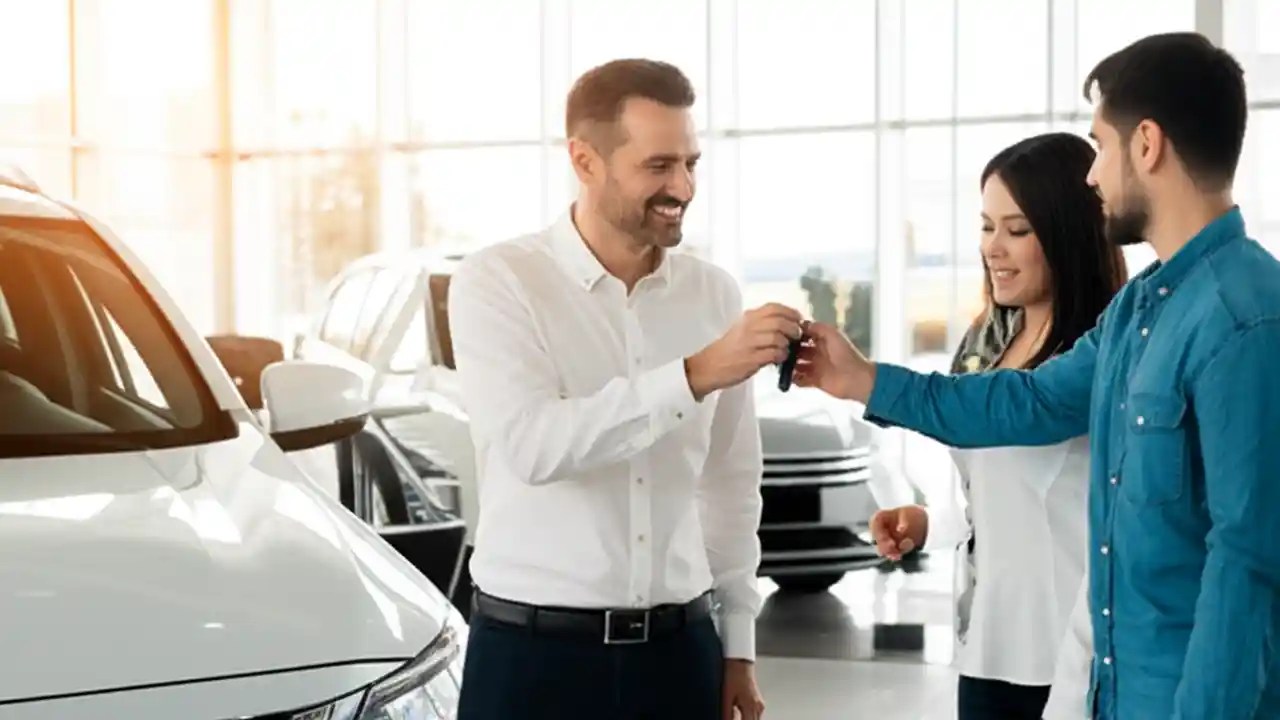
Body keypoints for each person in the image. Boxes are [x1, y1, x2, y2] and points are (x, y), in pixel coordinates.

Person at [795, 32, 1280, 719]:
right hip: (1109, 695)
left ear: (1147, 145)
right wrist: (866, 381)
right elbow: (1022, 403)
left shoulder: (1249, 316)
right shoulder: (1139, 311)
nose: (1092, 175)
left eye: (1100, 146)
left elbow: (1249, 559)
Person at [448, 58, 800, 720]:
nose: (684, 186)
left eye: (692, 163)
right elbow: (533, 446)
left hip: (681, 657)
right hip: (531, 663)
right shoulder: (497, 282)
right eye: (659, 166)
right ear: (585, 161)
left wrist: (739, 650)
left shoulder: (713, 293)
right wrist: (693, 375)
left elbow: (729, 484)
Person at [869, 132, 1125, 719]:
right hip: (984, 651)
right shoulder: (987, 341)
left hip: (1067, 661)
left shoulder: (1101, 351)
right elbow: (995, 497)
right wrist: (929, 526)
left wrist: (863, 380)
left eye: (1017, 230)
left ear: (1067, 234)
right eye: (987, 226)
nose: (994, 248)